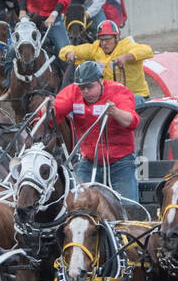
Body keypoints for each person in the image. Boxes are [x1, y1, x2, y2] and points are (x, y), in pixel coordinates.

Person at [52, 61, 141, 202]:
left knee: (129, 208)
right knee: (76, 205)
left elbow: (132, 122)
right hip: (89, 162)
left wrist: (116, 112)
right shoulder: (73, 92)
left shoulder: (119, 91)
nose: (85, 91)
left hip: (121, 163)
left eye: (89, 87)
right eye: (81, 88)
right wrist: (47, 109)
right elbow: (52, 116)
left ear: (101, 81)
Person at [60, 20, 154, 98]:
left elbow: (147, 50)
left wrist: (126, 57)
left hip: (135, 95)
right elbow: (67, 49)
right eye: (101, 39)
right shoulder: (96, 48)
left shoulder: (127, 46)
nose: (104, 43)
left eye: (108, 39)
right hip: (109, 98)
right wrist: (69, 53)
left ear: (116, 37)